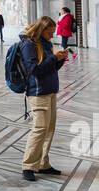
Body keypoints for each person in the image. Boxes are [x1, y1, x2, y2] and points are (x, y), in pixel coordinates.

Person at [19, 16, 68, 181]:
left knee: (49, 129)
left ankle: (42, 164)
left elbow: (50, 68)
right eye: (49, 32)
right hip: (38, 93)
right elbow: (34, 69)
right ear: (41, 30)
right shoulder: (29, 45)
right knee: (39, 128)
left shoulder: (46, 44)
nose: (52, 36)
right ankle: (28, 165)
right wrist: (54, 58)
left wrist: (60, 59)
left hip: (50, 90)